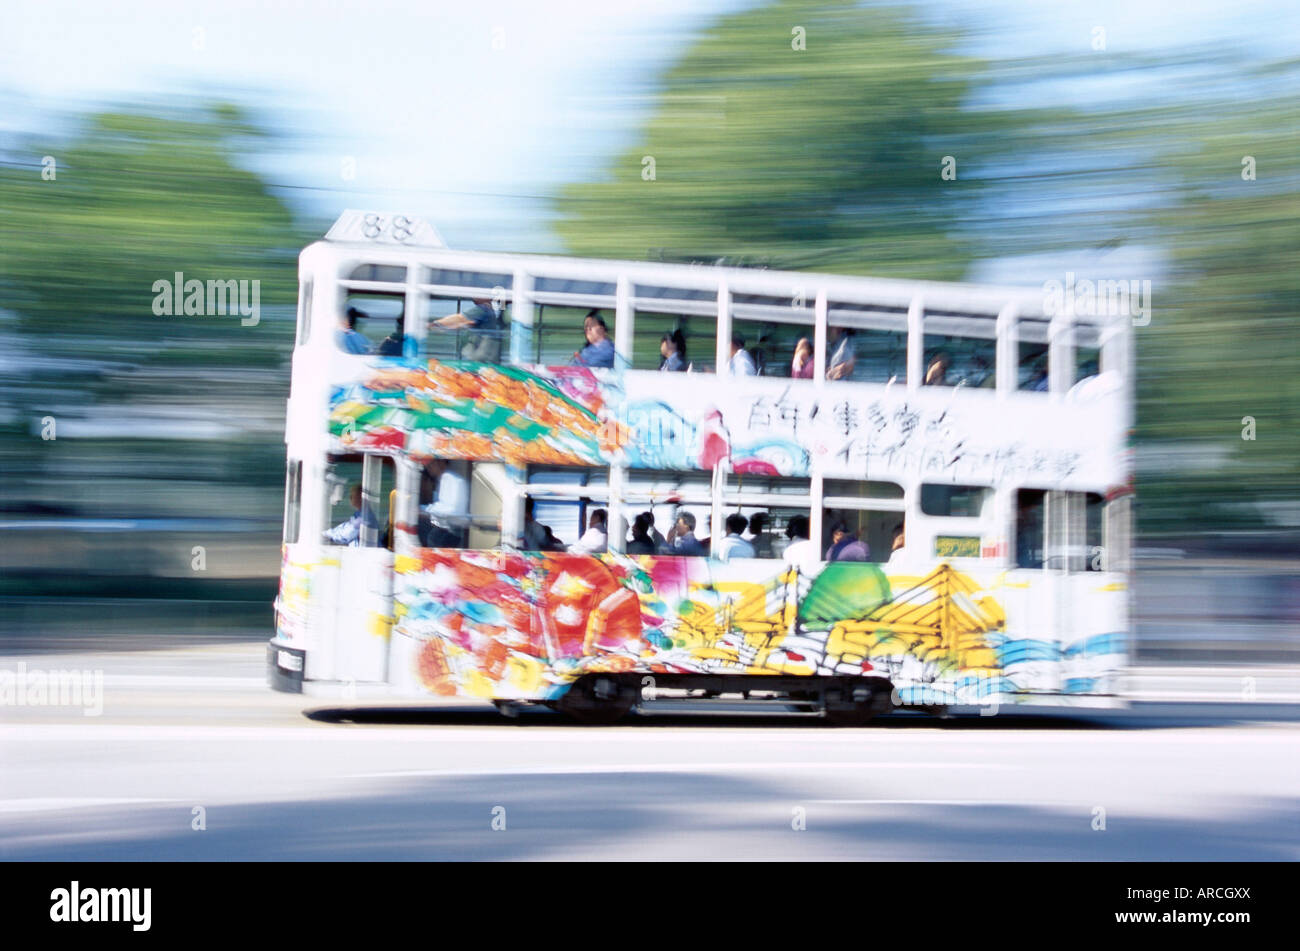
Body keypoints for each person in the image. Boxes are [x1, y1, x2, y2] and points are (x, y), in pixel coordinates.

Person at [433, 297, 505, 362]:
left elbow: (460, 319)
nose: (473, 297)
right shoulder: (491, 311)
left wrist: (436, 324)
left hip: (480, 357)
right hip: (488, 357)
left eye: (477, 294)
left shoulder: (483, 309)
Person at [421, 458, 469, 547]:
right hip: (442, 529)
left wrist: (425, 510)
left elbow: (453, 511)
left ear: (441, 462)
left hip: (449, 532)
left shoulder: (452, 479)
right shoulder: (442, 480)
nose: (429, 468)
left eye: (431, 464)